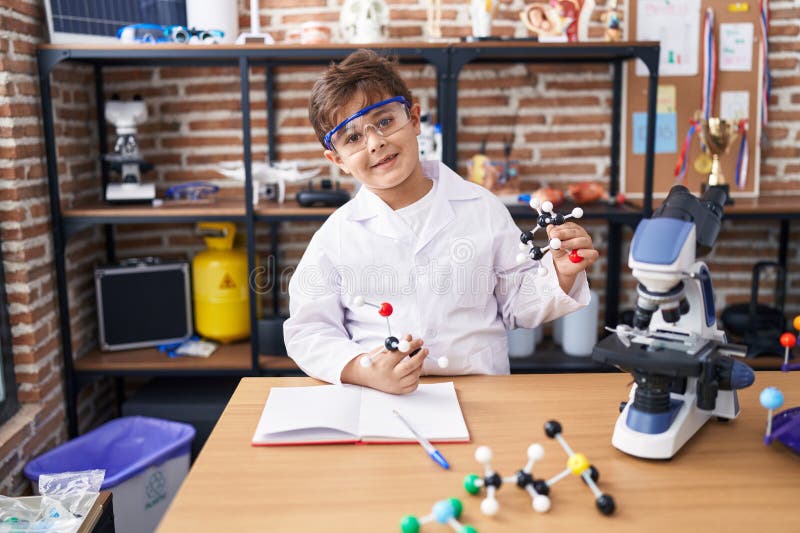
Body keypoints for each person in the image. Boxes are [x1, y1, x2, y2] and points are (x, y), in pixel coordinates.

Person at [284, 49, 598, 394]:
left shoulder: (482, 208)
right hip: (381, 397)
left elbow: (517, 306)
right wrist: (363, 370)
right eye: (353, 137)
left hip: (481, 393)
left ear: (415, 119)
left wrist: (561, 276)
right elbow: (309, 331)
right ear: (337, 159)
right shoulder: (337, 236)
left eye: (386, 121)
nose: (376, 142)